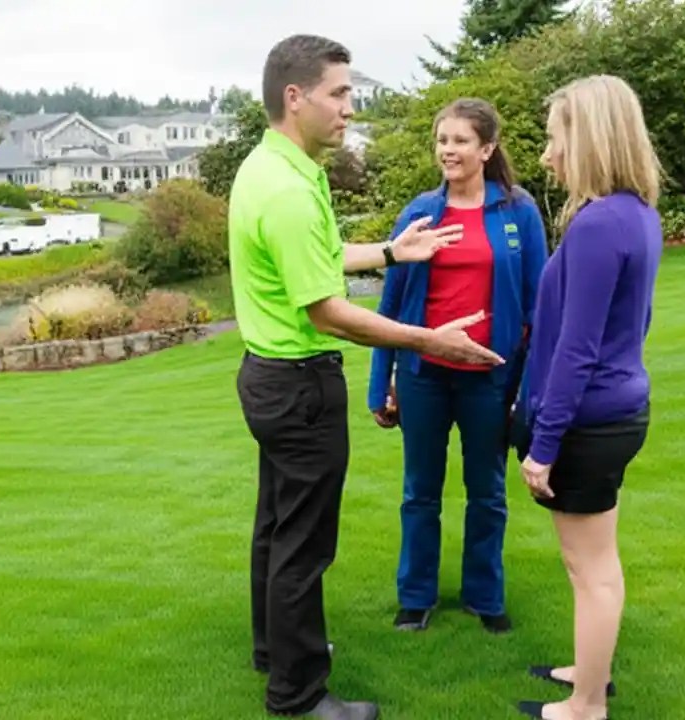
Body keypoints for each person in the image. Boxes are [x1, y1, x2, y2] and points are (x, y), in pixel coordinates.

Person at [229, 34, 505, 720]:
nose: (350, 107)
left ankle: (274, 649)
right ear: (297, 97)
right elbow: (329, 312)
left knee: (276, 525)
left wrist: (391, 250)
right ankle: (298, 692)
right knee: (304, 542)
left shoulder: (278, 168)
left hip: (267, 377)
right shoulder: (287, 190)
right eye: (340, 93)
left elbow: (320, 259)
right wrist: (428, 339)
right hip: (298, 386)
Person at [511, 74, 663, 720]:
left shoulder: (600, 224)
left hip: (588, 422)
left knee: (590, 569)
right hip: (616, 410)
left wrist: (542, 447)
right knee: (597, 563)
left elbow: (577, 349)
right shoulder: (636, 214)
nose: (547, 155)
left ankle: (585, 706)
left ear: (591, 137)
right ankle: (588, 672)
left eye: (554, 139)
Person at [366, 98, 548, 635]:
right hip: (423, 374)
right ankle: (416, 597)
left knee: (487, 491)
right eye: (442, 140)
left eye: (460, 140)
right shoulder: (419, 212)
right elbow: (391, 307)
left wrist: (529, 388)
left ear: (487, 149)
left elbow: (540, 309)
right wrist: (382, 384)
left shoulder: (518, 211)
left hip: (491, 376)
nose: (448, 150)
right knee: (419, 490)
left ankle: (484, 596)